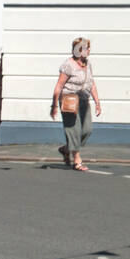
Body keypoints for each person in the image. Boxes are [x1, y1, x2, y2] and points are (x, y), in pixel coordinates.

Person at [50, 38, 102, 171]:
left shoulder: (88, 64)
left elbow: (92, 83)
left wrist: (97, 102)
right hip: (69, 101)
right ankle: (77, 160)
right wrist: (54, 105)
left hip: (84, 101)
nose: (89, 50)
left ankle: (66, 149)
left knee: (87, 130)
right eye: (86, 48)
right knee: (74, 130)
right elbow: (59, 85)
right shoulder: (68, 65)